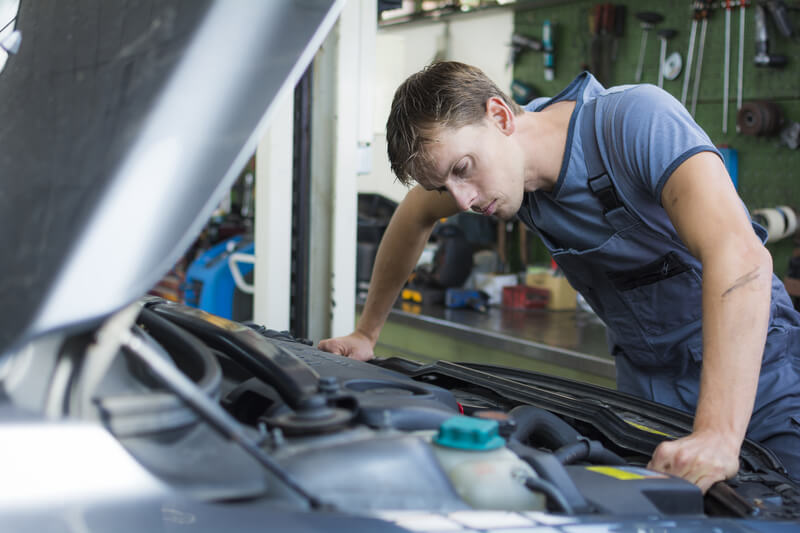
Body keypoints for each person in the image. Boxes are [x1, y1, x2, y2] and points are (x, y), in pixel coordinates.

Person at [319, 61, 800, 491]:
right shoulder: (493, 174)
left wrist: (717, 433)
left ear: (501, 116)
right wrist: (367, 332)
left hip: (758, 380)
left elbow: (740, 257)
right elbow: (412, 217)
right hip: (647, 393)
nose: (461, 201)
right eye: (442, 186)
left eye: (463, 170)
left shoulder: (634, 123)